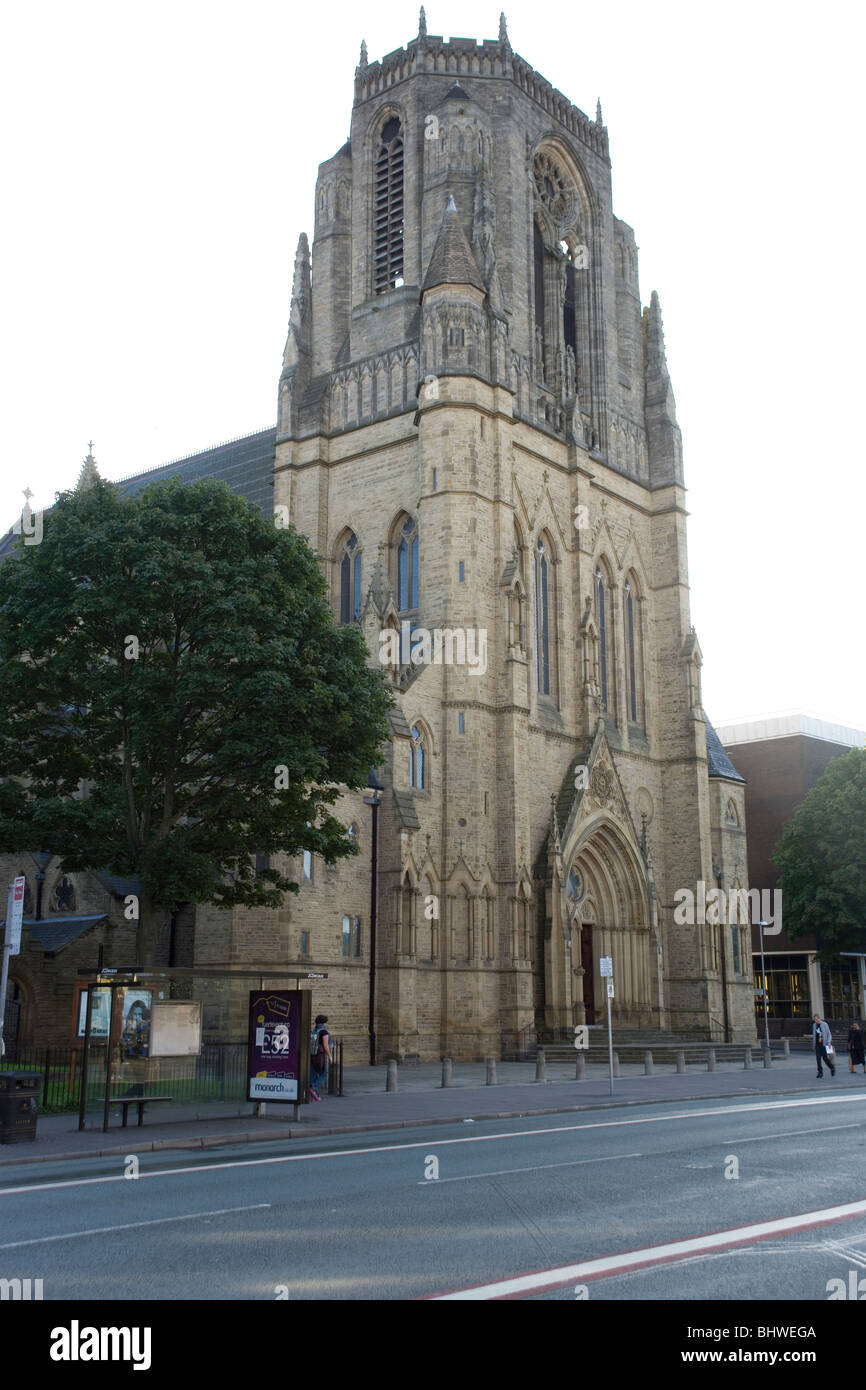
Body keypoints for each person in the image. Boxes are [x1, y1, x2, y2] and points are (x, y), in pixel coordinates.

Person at [309, 1014, 331, 1102]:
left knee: (313, 1073)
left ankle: (312, 1092)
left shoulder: (314, 1030)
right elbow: (325, 1046)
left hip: (312, 1055)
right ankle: (313, 1088)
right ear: (324, 1022)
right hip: (320, 1056)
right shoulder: (324, 1032)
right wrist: (330, 1056)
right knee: (324, 1073)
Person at [812, 1013, 835, 1079]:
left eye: (816, 1019)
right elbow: (814, 1035)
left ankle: (832, 1067)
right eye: (814, 1020)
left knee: (825, 1059)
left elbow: (829, 1034)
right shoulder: (814, 1025)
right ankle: (820, 1072)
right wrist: (813, 1044)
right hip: (817, 1045)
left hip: (824, 1044)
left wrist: (829, 1042)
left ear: (819, 1018)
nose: (815, 1021)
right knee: (818, 1059)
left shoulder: (825, 1024)